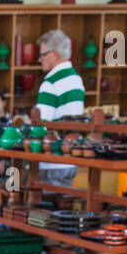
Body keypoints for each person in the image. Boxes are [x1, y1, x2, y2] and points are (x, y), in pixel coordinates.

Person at [30, 30, 85, 189]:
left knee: (43, 212)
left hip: (51, 162)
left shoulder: (50, 83)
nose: (40, 59)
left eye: (42, 54)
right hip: (70, 160)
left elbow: (41, 126)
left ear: (54, 54)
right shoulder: (76, 79)